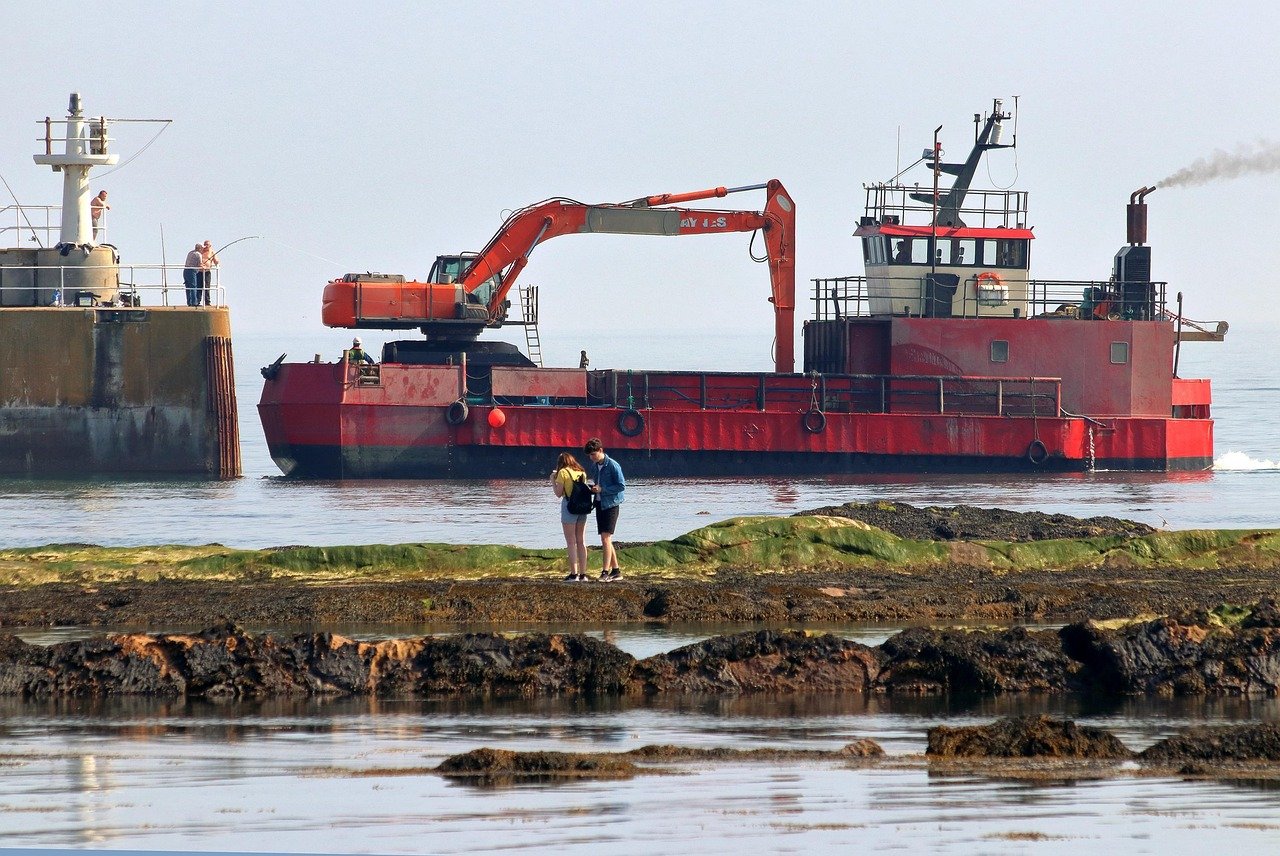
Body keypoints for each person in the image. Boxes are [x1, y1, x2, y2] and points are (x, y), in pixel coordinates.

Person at [583, 437, 625, 581]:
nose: (591, 458)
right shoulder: (595, 466)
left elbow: (621, 486)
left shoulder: (613, 465)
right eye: (589, 455)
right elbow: (598, 484)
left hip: (611, 504)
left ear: (600, 450)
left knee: (605, 538)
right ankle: (616, 571)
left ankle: (605, 572)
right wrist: (594, 489)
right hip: (600, 504)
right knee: (606, 538)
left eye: (593, 454)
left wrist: (602, 489)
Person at [551, 452, 591, 581]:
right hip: (582, 507)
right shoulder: (582, 472)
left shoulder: (562, 472)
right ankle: (583, 574)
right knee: (581, 541)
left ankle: (573, 574)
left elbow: (558, 493)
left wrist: (553, 480)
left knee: (570, 542)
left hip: (569, 506)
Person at [200, 240, 219, 305]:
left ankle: (207, 302)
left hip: (207, 271)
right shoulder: (201, 251)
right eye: (204, 244)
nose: (205, 246)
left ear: (210, 246)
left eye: (207, 245)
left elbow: (215, 260)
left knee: (207, 287)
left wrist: (217, 262)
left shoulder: (212, 252)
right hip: (199, 271)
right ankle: (197, 301)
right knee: (199, 286)